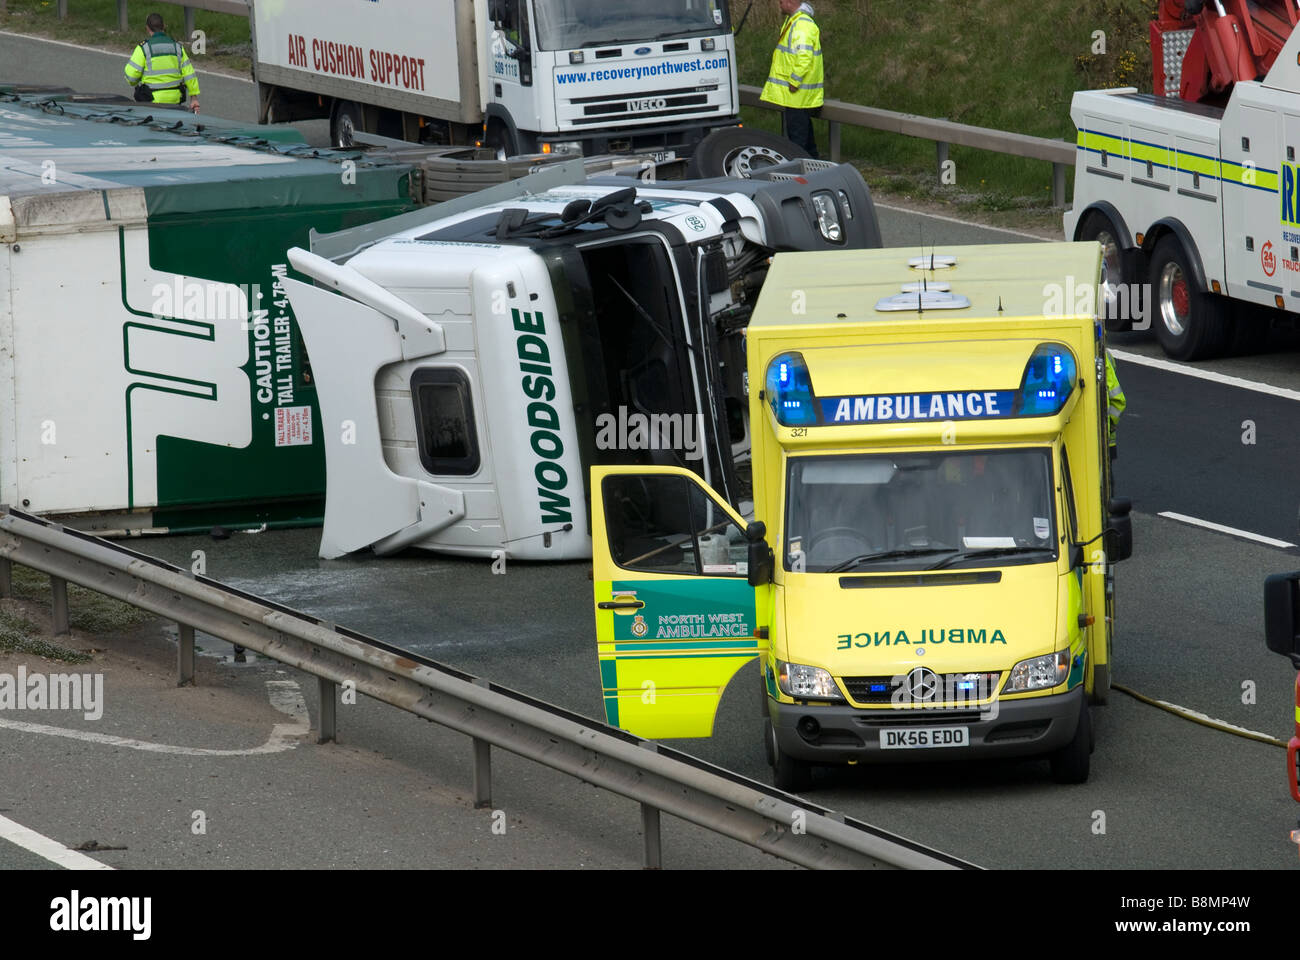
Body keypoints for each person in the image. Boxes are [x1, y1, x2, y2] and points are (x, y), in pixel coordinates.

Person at [760, 0, 823, 158]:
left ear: (789, 2)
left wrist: (794, 81)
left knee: (797, 145)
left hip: (798, 96)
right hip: (798, 97)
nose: (779, 5)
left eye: (781, 1)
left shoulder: (801, 25)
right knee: (806, 143)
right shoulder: (796, 21)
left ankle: (802, 178)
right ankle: (816, 173)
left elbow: (804, 57)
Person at [125, 13, 201, 114]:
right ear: (164, 26)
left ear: (147, 28)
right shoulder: (177, 47)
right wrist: (194, 98)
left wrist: (139, 80)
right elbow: (189, 74)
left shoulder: (144, 48)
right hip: (175, 99)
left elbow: (131, 77)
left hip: (151, 100)